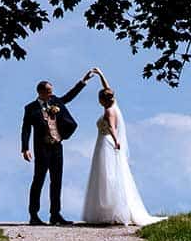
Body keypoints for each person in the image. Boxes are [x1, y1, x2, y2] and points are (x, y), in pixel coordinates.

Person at [81, 68, 161, 226]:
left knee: (107, 175)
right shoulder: (114, 106)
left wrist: (116, 140)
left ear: (101, 100)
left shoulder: (110, 111)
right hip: (105, 142)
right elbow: (107, 88)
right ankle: (108, 210)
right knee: (108, 175)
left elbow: (111, 127)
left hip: (106, 143)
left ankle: (110, 210)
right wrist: (101, 75)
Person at [21, 67, 95, 225]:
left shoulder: (55, 101)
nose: (51, 94)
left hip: (57, 146)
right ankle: (34, 215)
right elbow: (26, 129)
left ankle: (55, 214)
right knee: (38, 180)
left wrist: (83, 81)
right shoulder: (30, 108)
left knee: (57, 180)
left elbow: (69, 96)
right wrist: (25, 148)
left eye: (51, 91)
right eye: (48, 91)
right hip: (41, 148)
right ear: (40, 92)